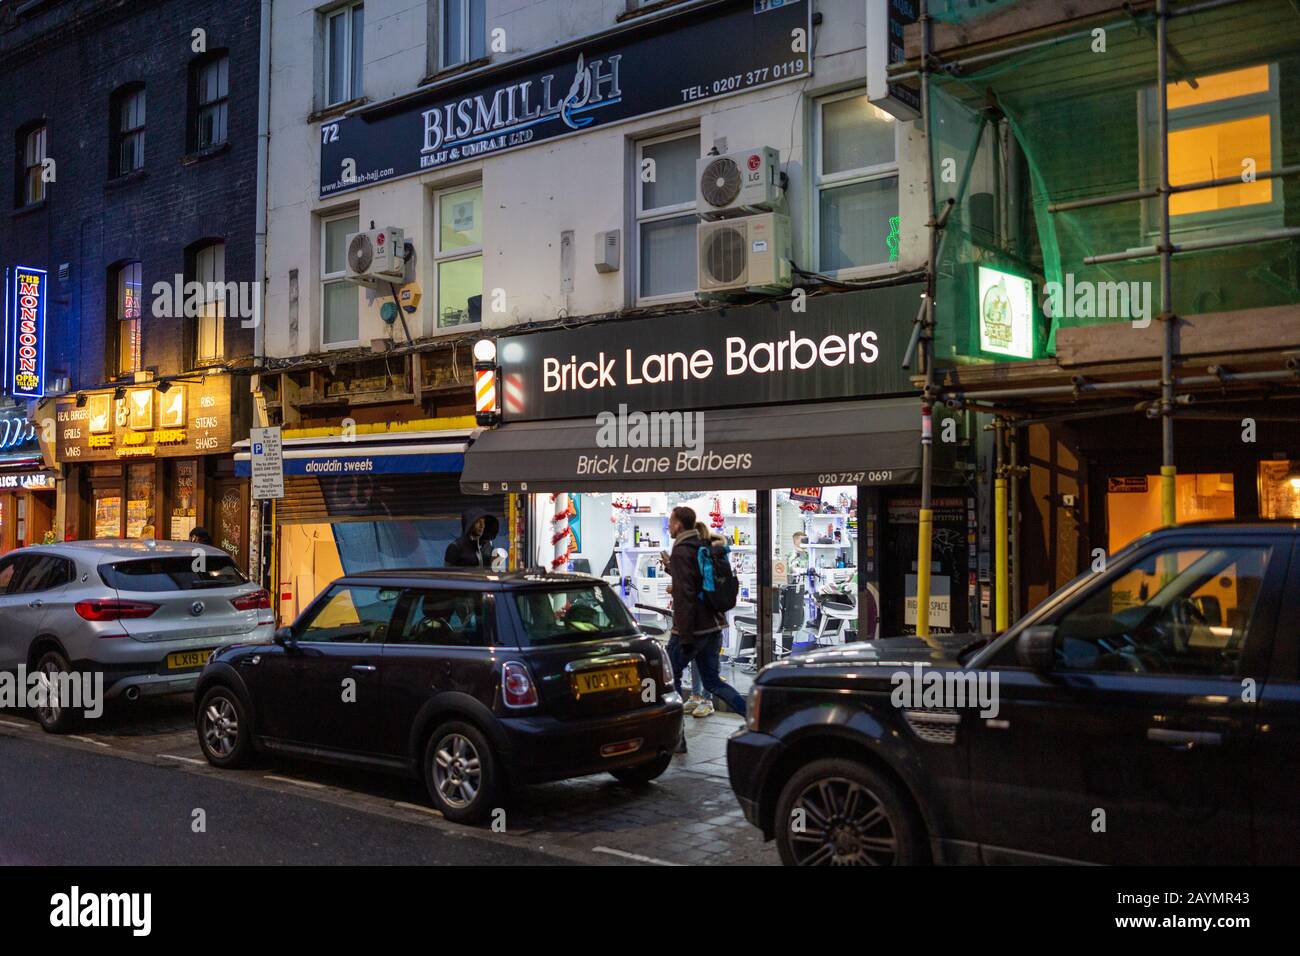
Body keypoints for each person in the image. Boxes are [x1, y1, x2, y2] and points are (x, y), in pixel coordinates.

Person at [665, 506, 746, 719]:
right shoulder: (702, 546)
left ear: (678, 524)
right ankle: (755, 717)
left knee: (669, 679)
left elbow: (685, 596)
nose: (668, 527)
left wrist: (684, 635)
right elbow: (696, 582)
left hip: (694, 629)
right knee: (713, 682)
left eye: (670, 522)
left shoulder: (681, 550)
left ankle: (676, 737)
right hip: (714, 626)